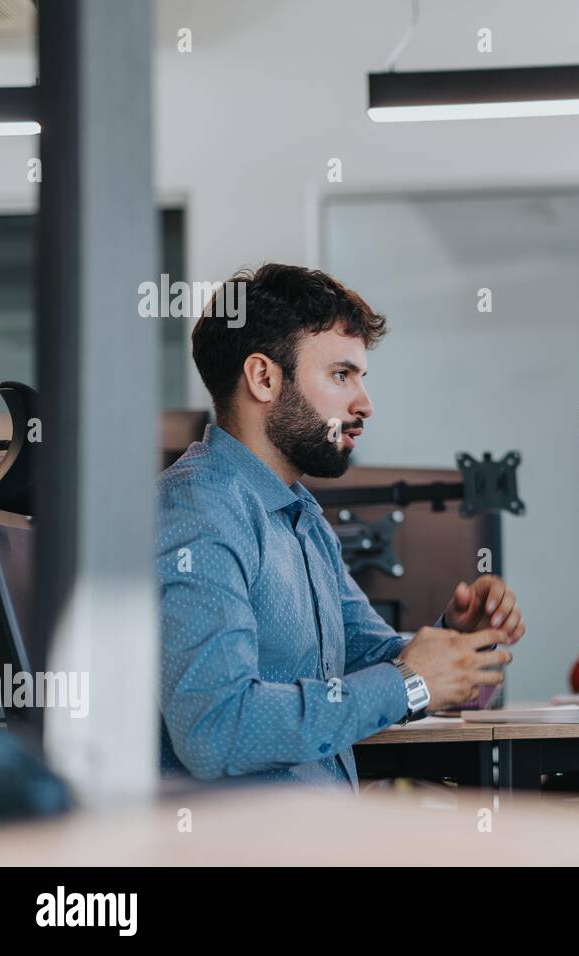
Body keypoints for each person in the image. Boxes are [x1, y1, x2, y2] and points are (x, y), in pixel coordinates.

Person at [157, 263, 524, 787]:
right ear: (264, 378)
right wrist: (411, 683)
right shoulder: (198, 514)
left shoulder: (300, 516)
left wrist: (453, 645)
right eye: (340, 374)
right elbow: (218, 729)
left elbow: (361, 656)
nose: (365, 404)